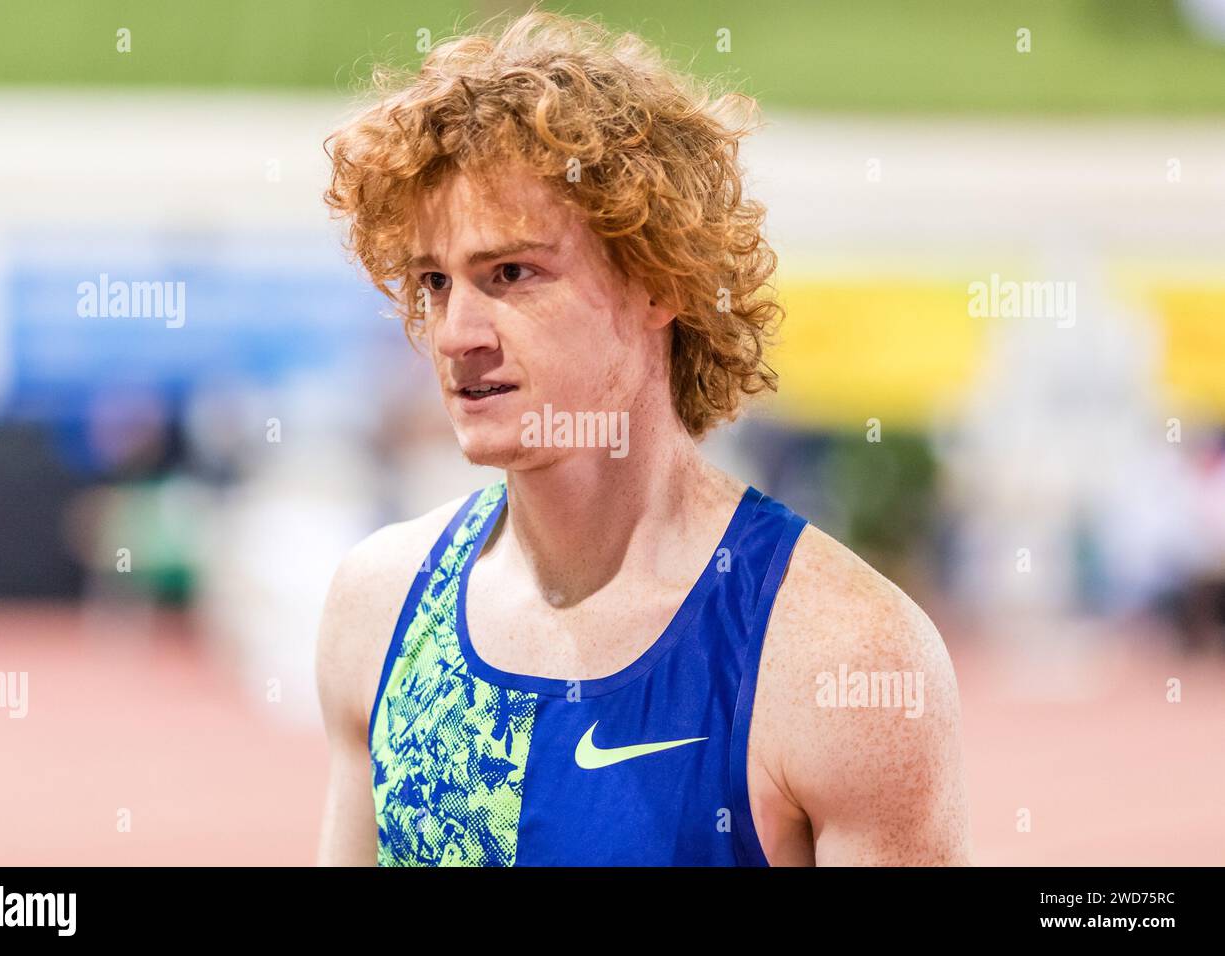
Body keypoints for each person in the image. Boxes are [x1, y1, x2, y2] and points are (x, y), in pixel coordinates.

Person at [315, 8, 970, 866]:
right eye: (435, 282)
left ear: (658, 283)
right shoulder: (378, 609)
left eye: (511, 273)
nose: (455, 334)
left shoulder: (838, 659)